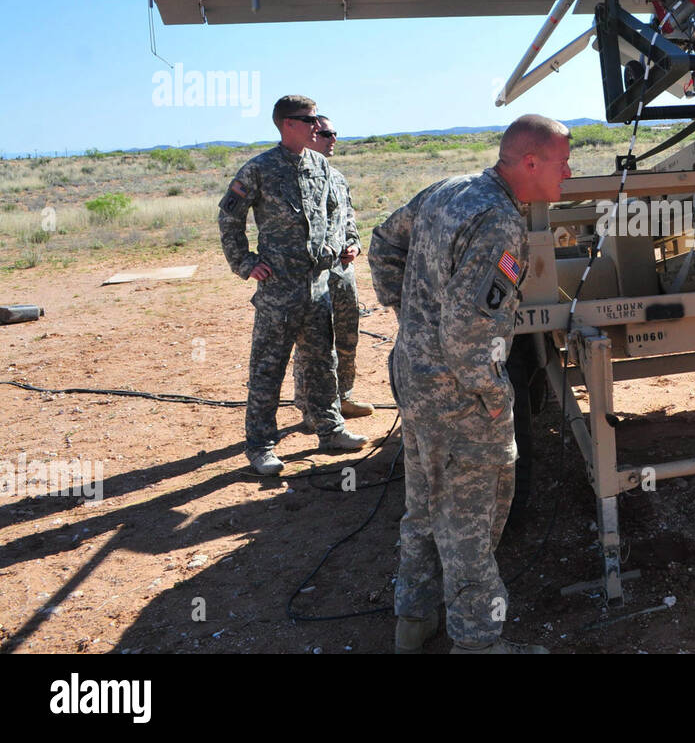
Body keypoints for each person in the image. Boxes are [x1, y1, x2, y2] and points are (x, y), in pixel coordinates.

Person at [370, 114, 571, 654]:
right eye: (562, 161)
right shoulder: (501, 224)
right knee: (470, 524)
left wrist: (407, 315)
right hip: (459, 395)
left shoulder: (449, 190)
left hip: (414, 378)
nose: (570, 172)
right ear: (530, 163)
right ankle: (477, 643)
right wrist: (493, 393)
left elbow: (384, 241)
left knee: (423, 505)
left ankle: (412, 622)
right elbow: (467, 331)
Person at [218, 95, 369, 477]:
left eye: (317, 119)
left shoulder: (320, 166)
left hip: (317, 286)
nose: (317, 126)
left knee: (323, 363)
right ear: (287, 124)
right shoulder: (259, 169)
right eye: (310, 120)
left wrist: (336, 246)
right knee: (268, 369)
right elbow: (229, 217)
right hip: (278, 291)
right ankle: (261, 445)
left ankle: (330, 429)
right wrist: (246, 263)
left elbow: (334, 212)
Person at [292, 115, 374, 422]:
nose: (332, 138)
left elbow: (347, 219)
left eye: (335, 133)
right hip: (313, 275)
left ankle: (343, 397)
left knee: (347, 335)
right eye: (326, 133)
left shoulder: (337, 177)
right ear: (311, 135)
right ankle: (310, 408)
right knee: (312, 344)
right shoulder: (296, 177)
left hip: (342, 271)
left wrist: (354, 243)